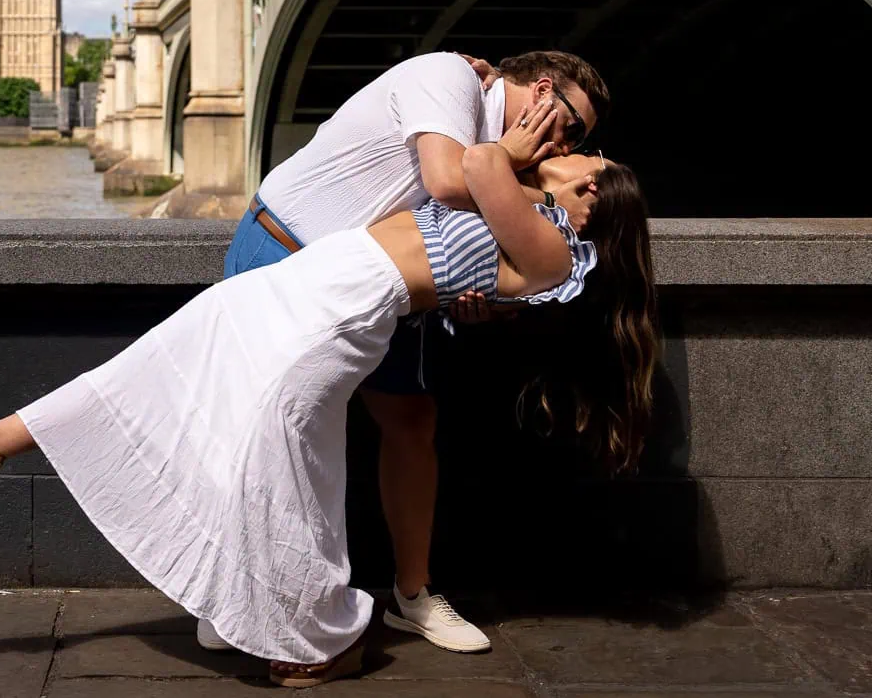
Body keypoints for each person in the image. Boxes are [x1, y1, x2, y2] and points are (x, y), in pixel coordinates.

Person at [0, 105, 658, 688]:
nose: (562, 148)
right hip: (292, 285)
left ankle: (312, 640)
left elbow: (481, 167)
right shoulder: (525, 209)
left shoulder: (556, 248)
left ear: (593, 188)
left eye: (578, 153)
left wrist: (513, 148)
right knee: (142, 378)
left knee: (286, 470)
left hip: (340, 312)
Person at [218, 49, 610, 654]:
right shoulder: (448, 78)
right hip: (286, 254)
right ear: (539, 90)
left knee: (410, 420)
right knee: (270, 431)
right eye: (572, 126)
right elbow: (449, 182)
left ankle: (414, 595)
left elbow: (454, 232)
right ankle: (235, 600)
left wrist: (468, 297)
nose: (564, 147)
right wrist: (536, 189)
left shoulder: (494, 144)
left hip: (376, 284)